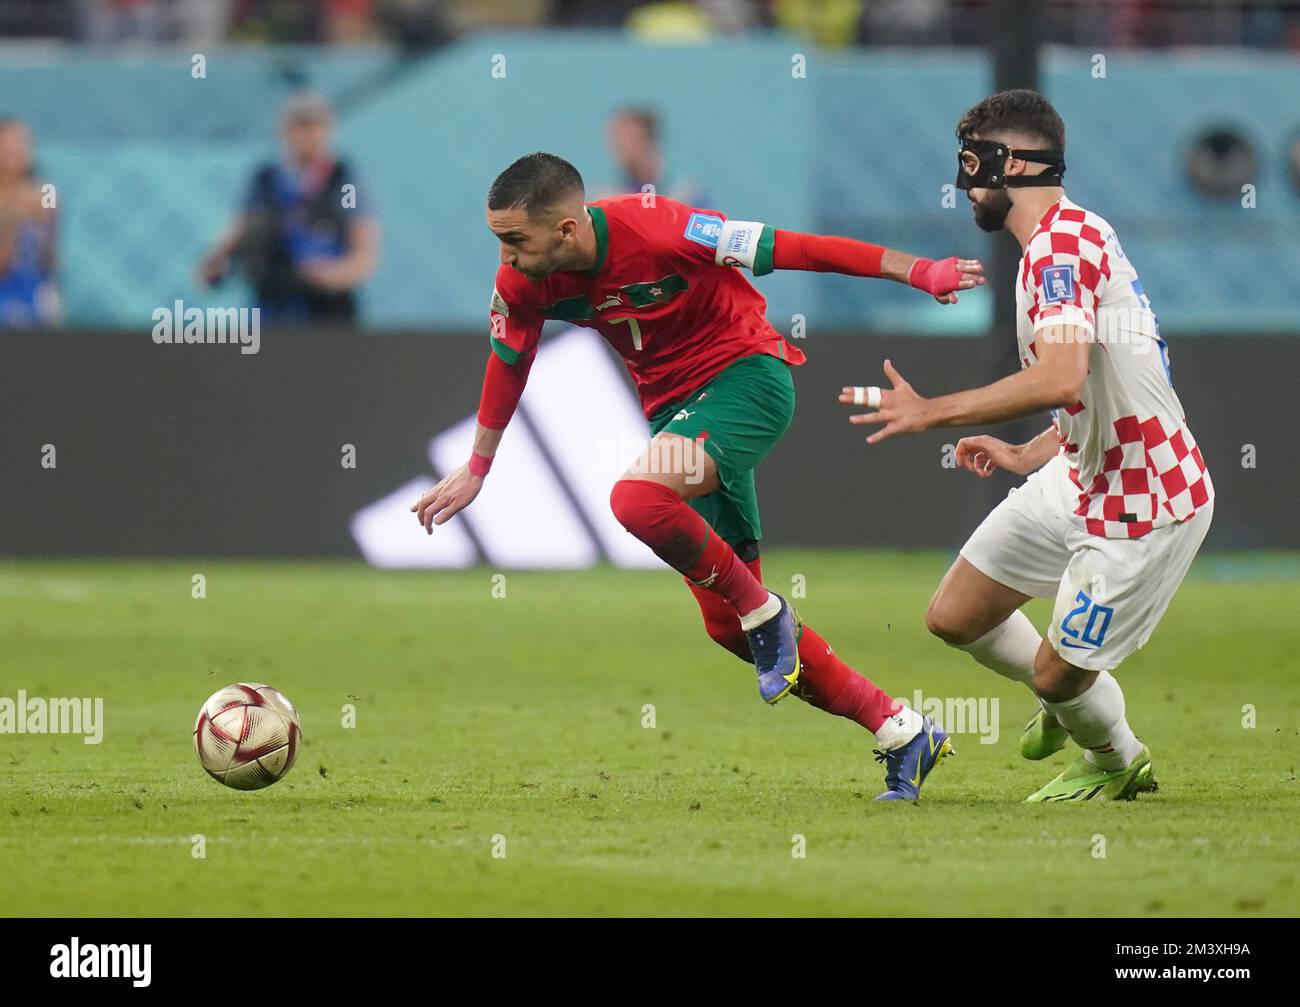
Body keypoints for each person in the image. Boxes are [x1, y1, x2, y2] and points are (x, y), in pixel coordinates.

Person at [412, 152, 985, 801]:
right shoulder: (522, 281)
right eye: (498, 240)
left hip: (747, 381)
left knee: (637, 499)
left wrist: (916, 269)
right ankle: (902, 730)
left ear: (567, 230)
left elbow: (791, 247)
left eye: (515, 239)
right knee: (725, 627)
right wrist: (478, 466)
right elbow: (509, 358)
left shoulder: (662, 227)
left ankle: (765, 611)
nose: (505, 256)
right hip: (679, 417)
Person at [839, 89, 1213, 802]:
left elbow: (1062, 373)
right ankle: (1072, 701)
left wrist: (932, 412)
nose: (966, 183)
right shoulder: (1057, 243)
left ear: (1008, 162)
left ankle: (1113, 754)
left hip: (1145, 498)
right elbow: (1103, 383)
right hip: (1079, 473)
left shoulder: (1061, 249)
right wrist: (1029, 453)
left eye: (972, 163)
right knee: (954, 615)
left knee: (1054, 674)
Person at [197, 92, 378, 323]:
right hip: (274, 301)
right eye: (299, 126)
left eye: (314, 126)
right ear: (284, 130)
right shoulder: (267, 179)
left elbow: (364, 246)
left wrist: (329, 275)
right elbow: (239, 228)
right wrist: (215, 261)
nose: (307, 135)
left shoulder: (342, 181)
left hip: (327, 307)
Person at [0, 118, 58, 328]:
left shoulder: (45, 193)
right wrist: (15, 215)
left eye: (23, 143)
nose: (19, 151)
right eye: (10, 144)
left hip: (32, 301)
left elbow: (49, 258)